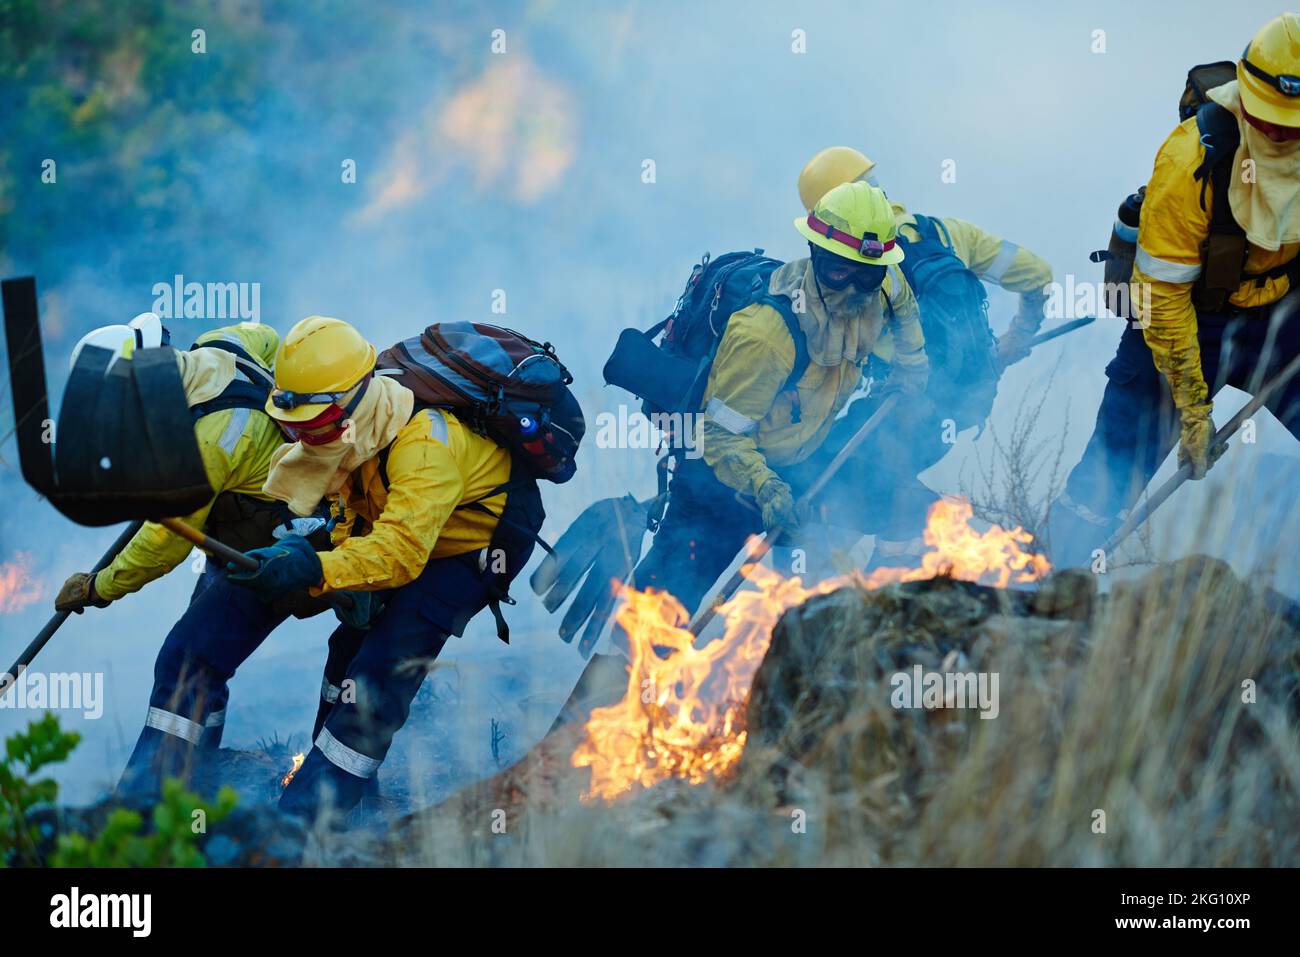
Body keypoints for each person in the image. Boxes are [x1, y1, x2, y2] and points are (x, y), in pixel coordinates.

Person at [200, 315, 542, 817]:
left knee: (384, 665)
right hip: (414, 533)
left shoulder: (425, 446)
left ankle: (312, 816)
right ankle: (348, 794)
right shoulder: (355, 432)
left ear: (350, 406)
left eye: (311, 427)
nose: (304, 439)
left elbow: (402, 553)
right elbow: (351, 509)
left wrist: (318, 572)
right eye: (293, 428)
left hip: (474, 547)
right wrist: (326, 563)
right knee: (348, 649)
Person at [1048, 14, 1300, 566]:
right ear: (1244, 96)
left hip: (1281, 315)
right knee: (1106, 481)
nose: (1282, 134)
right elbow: (1162, 300)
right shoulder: (1190, 161)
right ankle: (1048, 593)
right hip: (1185, 321)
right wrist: (1191, 411)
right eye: (1270, 121)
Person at [628, 181, 931, 621]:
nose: (853, 287)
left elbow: (903, 304)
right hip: (722, 481)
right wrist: (767, 488)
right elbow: (718, 435)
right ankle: (615, 681)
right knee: (657, 614)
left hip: (803, 464)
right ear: (815, 254)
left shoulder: (883, 285)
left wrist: (911, 369)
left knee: (910, 511)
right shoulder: (765, 335)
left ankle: (845, 640)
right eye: (838, 271)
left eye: (865, 274)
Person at [52, 318, 322, 795]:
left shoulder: (209, 443)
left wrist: (99, 587)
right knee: (203, 653)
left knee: (186, 661)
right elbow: (272, 340)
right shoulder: (226, 344)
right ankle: (200, 770)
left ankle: (145, 805)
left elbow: (164, 544)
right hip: (236, 541)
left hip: (277, 554)